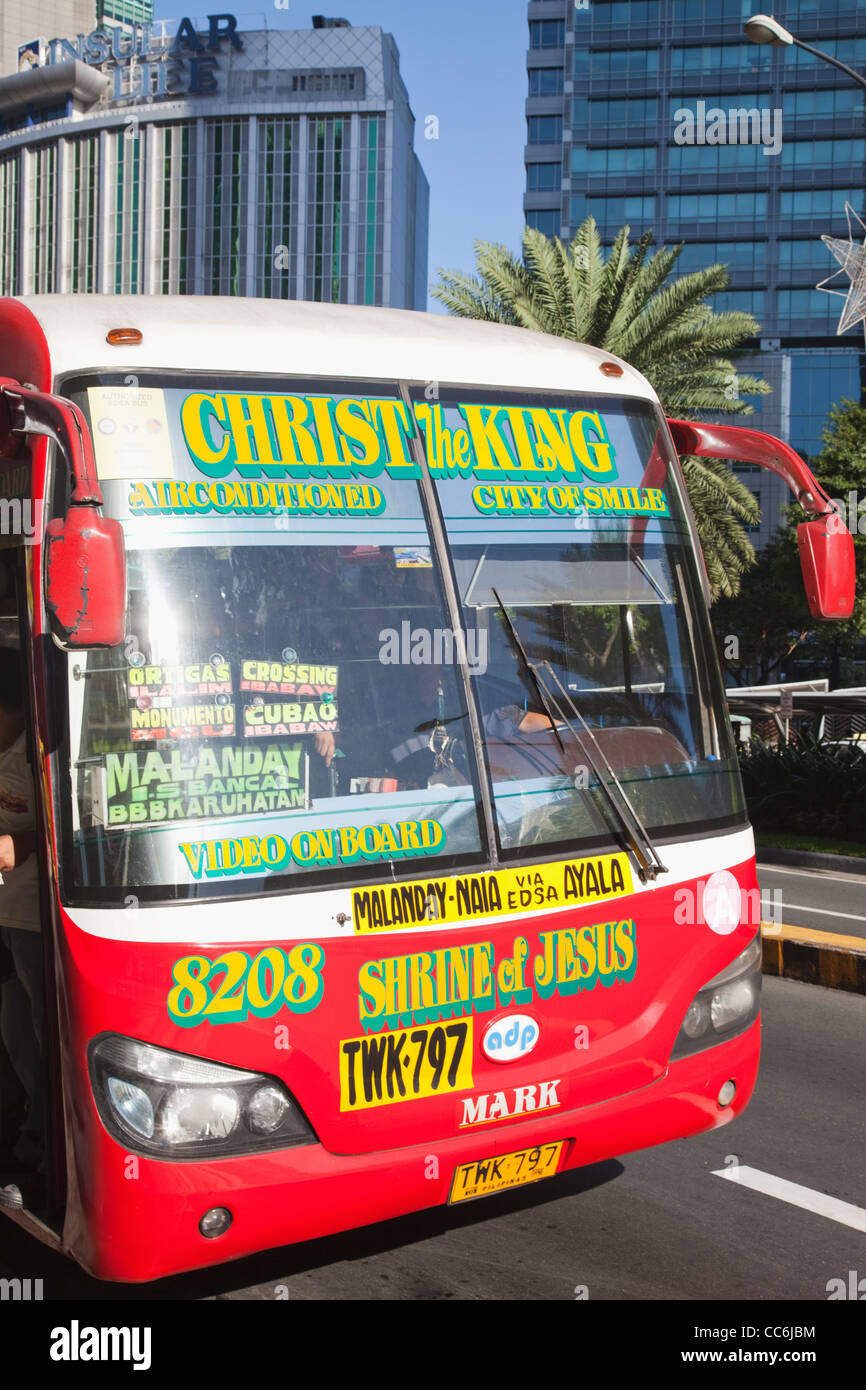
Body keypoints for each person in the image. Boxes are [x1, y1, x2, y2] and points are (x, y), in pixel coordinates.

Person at [0, 646, 43, 1187]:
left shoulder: (36, 755)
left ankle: (44, 1141)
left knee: (36, 1029)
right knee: (13, 1027)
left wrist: (18, 843)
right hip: (7, 916)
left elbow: (80, 832)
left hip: (34, 919)